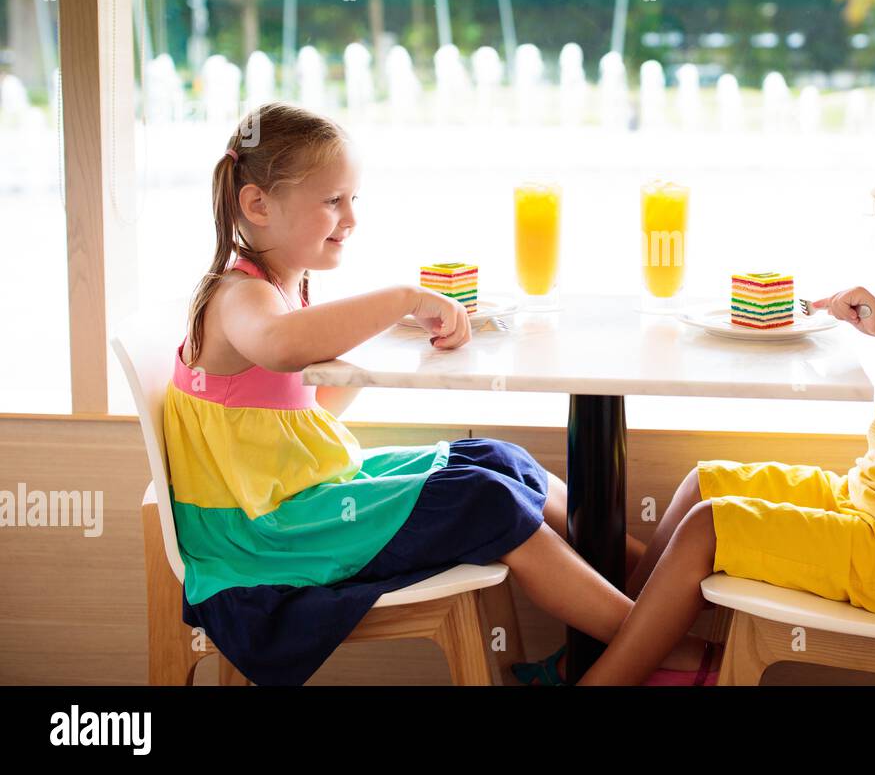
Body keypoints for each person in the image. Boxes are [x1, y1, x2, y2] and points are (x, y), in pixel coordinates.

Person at [164, 101, 708, 685]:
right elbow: (276, 345)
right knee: (485, 500)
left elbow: (301, 410)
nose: (350, 217)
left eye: (354, 199)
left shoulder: (281, 290)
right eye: (332, 201)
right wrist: (404, 300)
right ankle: (666, 654)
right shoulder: (240, 297)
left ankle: (632, 634)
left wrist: (381, 347)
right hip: (264, 533)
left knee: (501, 461)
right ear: (257, 205)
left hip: (296, 500)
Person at [573, 129, 875, 685]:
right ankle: (636, 657)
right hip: (872, 513)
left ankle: (605, 676)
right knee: (701, 485)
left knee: (710, 527)